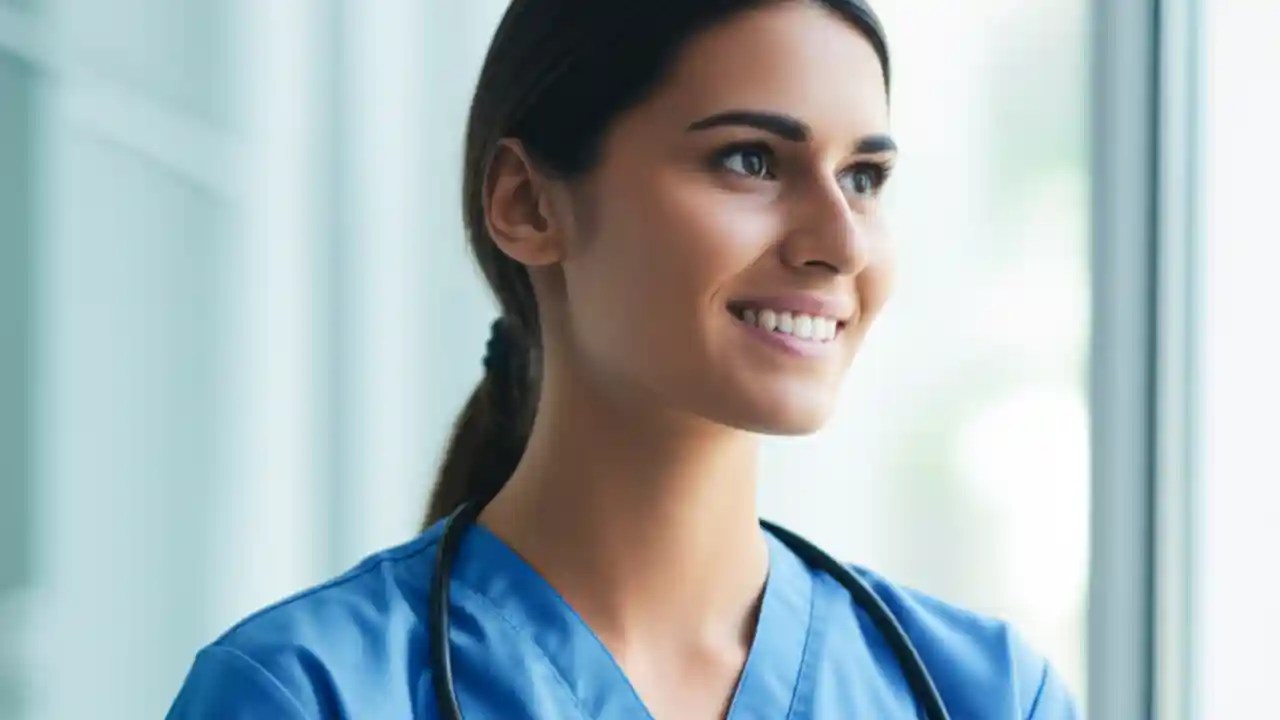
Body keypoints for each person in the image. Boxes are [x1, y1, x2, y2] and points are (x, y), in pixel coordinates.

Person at [168, 0, 1080, 717]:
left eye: (864, 178)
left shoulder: (984, 697)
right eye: (751, 161)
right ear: (528, 203)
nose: (839, 242)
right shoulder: (304, 695)